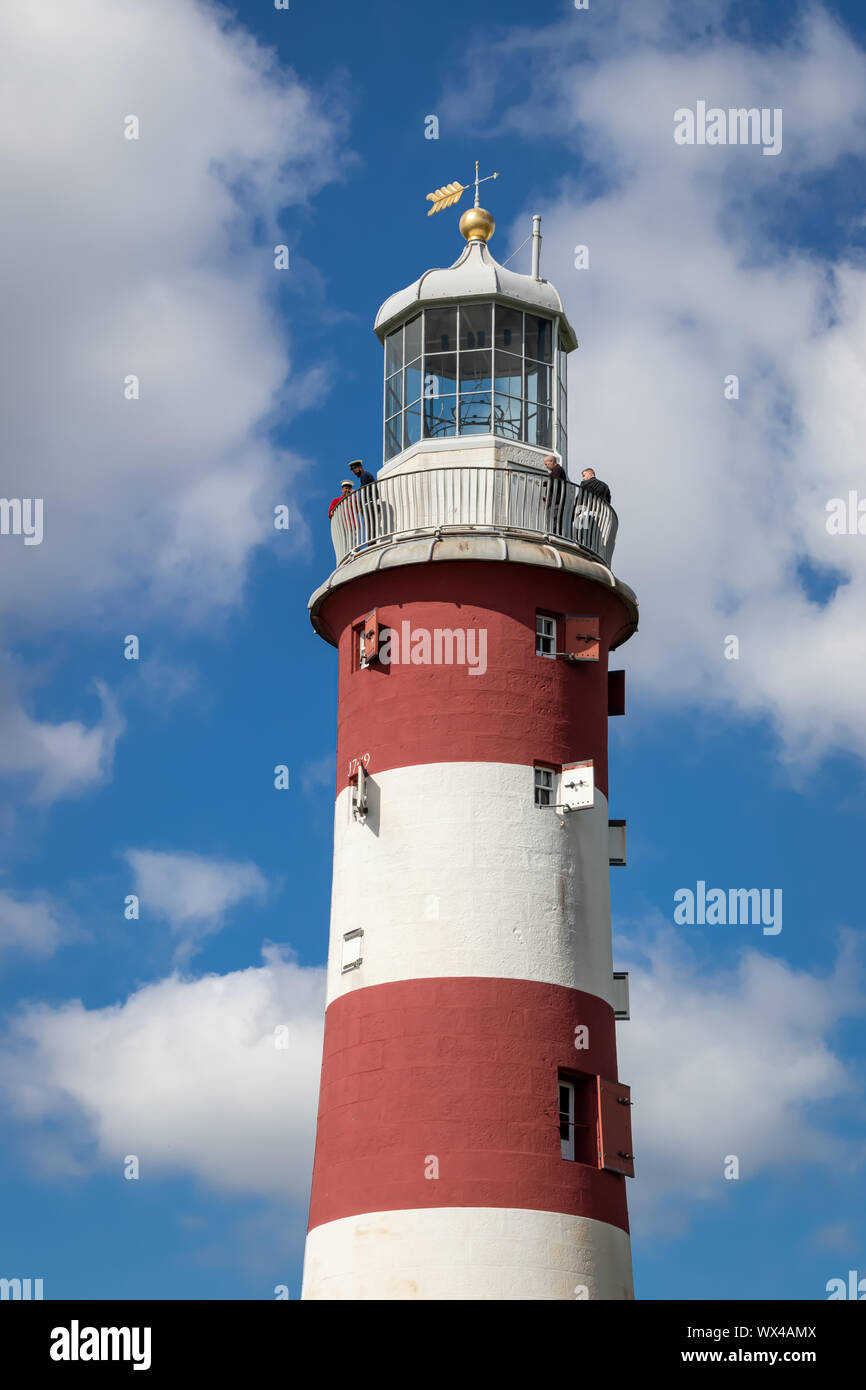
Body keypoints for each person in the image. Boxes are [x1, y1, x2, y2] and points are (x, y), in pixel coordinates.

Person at [573, 467, 611, 554]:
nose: (583, 478)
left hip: (586, 512)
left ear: (591, 474)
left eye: (584, 475)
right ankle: (592, 552)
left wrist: (575, 511)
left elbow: (580, 498)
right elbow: (608, 501)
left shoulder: (585, 483)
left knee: (582, 535)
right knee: (594, 536)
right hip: (599, 515)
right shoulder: (605, 486)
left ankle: (584, 551)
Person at [348, 458, 380, 541]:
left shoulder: (364, 475)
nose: (354, 473)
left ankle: (372, 543)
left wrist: (362, 505)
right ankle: (372, 542)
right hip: (370, 504)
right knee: (370, 525)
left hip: (370, 504)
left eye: (354, 470)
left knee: (370, 525)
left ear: (360, 467)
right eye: (353, 471)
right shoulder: (364, 476)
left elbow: (365, 493)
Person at [542, 454, 568, 532]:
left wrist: (544, 484)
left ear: (551, 461)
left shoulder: (558, 469)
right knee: (552, 519)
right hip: (553, 501)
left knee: (554, 519)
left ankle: (554, 535)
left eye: (546, 464)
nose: (546, 466)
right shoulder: (557, 470)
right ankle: (553, 533)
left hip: (556, 501)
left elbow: (554, 482)